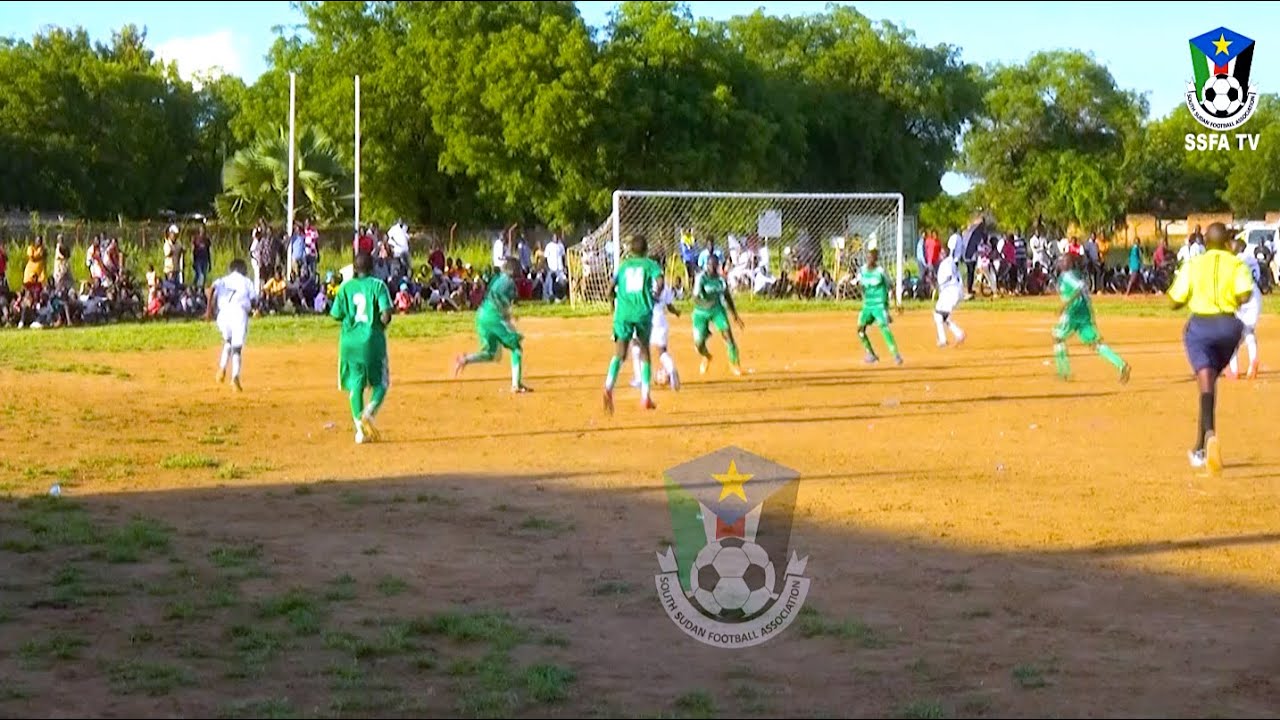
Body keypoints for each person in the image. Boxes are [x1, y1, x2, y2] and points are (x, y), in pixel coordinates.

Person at [1168, 223, 1255, 473]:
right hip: (1229, 329)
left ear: (1205, 241)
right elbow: (1244, 296)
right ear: (1227, 241)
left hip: (1201, 329)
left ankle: (1209, 437)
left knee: (1205, 380)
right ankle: (1201, 446)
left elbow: (1174, 301)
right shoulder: (1236, 263)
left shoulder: (1193, 264)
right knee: (1208, 385)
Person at [330, 251, 394, 444]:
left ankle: (360, 431)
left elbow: (335, 314)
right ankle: (369, 413)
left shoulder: (345, 288)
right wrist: (382, 323)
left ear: (354, 269)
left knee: (355, 385)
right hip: (372, 341)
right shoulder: (378, 286)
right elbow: (386, 314)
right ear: (372, 268)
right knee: (381, 384)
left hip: (349, 343)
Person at [603, 235, 665, 414]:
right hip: (642, 312)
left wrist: (612, 303)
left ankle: (608, 386)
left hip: (623, 313)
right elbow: (660, 282)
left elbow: (609, 288)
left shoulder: (623, 266)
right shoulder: (650, 265)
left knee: (620, 353)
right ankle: (645, 396)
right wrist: (655, 296)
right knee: (644, 351)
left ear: (630, 251)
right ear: (646, 250)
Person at [453, 257, 531, 393]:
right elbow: (500, 301)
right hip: (493, 317)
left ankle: (466, 360)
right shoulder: (509, 283)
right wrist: (508, 317)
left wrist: (508, 316)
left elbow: (493, 297)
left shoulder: (498, 279)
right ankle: (516, 384)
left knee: (492, 354)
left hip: (482, 315)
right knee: (516, 348)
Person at [1052, 252, 1130, 383]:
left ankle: (1064, 372)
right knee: (1096, 344)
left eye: (1063, 260)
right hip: (1084, 312)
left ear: (1069, 263)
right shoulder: (1077, 275)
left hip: (1072, 312)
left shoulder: (1067, 276)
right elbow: (1085, 293)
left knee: (1058, 338)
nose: (1060, 262)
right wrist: (1091, 314)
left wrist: (1065, 304)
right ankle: (1121, 364)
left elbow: (1078, 289)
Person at [205, 258, 258, 391]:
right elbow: (254, 299)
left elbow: (210, 289)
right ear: (242, 270)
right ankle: (235, 377)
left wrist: (209, 310)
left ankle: (222, 370)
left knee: (228, 341)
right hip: (239, 313)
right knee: (237, 348)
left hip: (223, 314)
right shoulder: (247, 281)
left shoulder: (223, 279)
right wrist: (255, 309)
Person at [691, 253, 745, 377]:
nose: (712, 268)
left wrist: (735, 315)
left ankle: (734, 363)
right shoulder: (701, 278)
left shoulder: (721, 280)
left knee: (728, 335)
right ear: (706, 265)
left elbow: (727, 297)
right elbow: (695, 298)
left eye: (715, 265)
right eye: (710, 265)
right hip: (700, 312)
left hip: (717, 310)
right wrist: (707, 303)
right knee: (699, 344)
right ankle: (707, 357)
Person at [630, 274, 682, 391]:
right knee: (662, 351)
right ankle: (671, 369)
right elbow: (669, 306)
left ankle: (639, 378)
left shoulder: (642, 282)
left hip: (645, 318)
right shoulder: (665, 285)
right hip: (660, 319)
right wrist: (676, 312)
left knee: (636, 345)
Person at [857, 248, 902, 365]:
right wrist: (862, 292)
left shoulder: (881, 272)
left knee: (883, 327)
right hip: (867, 305)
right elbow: (860, 285)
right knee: (860, 329)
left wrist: (895, 304)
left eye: (871, 257)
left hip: (880, 305)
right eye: (867, 257)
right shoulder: (862, 271)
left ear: (876, 259)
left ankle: (895, 355)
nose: (869, 260)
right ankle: (871, 354)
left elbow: (890, 286)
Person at [1227, 238, 1263, 380]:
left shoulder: (1234, 261)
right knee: (1249, 330)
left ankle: (1234, 370)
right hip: (1254, 295)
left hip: (1240, 295)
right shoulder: (1253, 260)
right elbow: (1258, 277)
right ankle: (1253, 360)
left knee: (1233, 336)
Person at [933, 245, 966, 347]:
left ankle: (943, 340)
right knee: (943, 316)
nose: (939, 255)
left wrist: (937, 286)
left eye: (941, 253)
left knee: (938, 315)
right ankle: (958, 334)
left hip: (950, 291)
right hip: (952, 291)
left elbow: (948, 277)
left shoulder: (946, 263)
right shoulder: (951, 261)